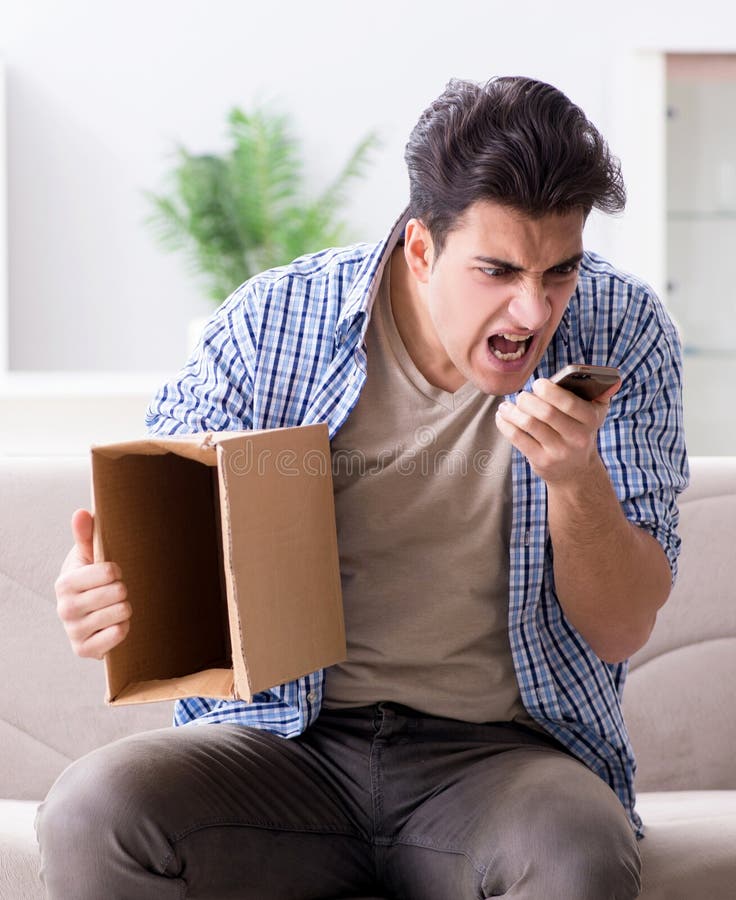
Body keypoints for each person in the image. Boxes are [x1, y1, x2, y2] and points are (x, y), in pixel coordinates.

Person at [41, 76, 688, 900]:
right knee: (92, 810)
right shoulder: (273, 322)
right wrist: (101, 593)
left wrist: (576, 479)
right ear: (421, 250)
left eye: (559, 270)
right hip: (284, 747)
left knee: (575, 853)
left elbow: (621, 627)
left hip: (504, 760)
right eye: (497, 271)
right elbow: (155, 530)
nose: (532, 310)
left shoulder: (623, 328)